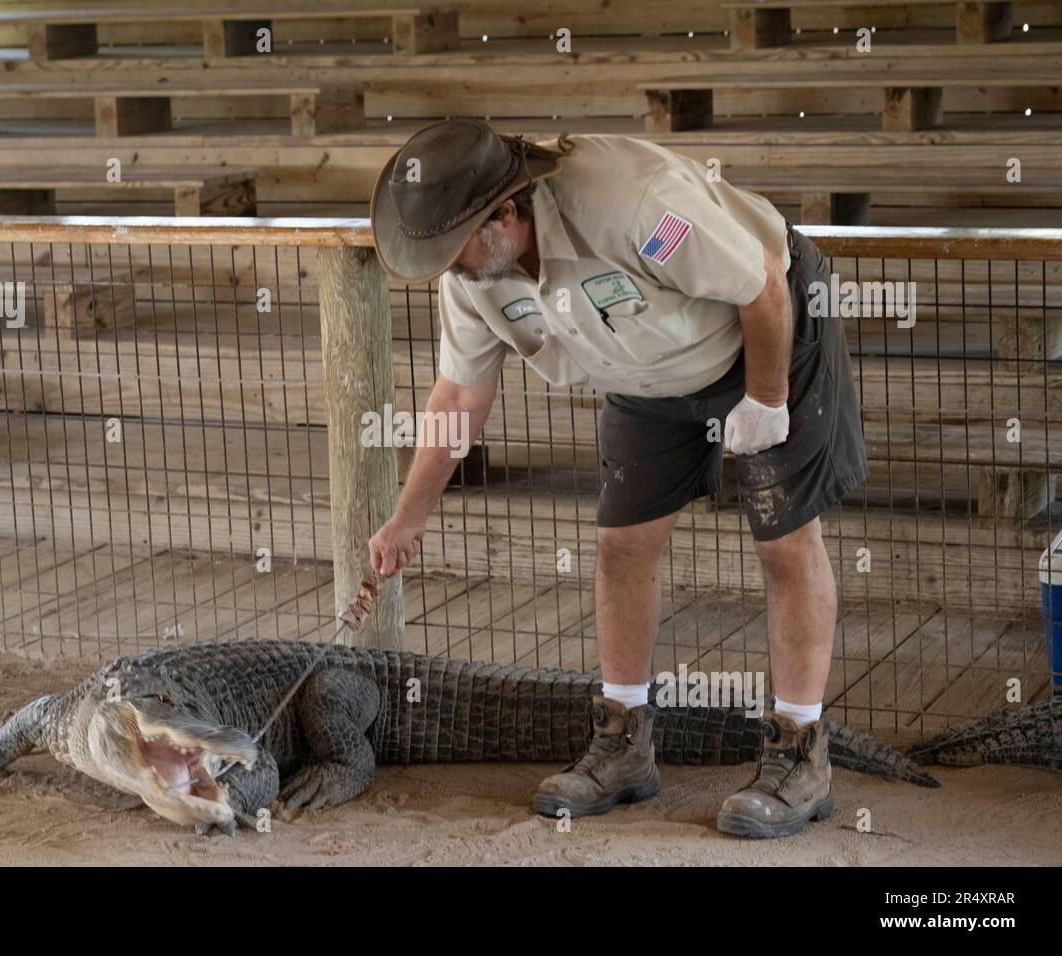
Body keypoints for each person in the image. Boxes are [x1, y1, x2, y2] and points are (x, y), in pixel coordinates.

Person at [366, 119, 869, 838]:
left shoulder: (631, 204)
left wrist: (765, 400)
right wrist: (407, 516)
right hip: (640, 366)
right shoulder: (471, 274)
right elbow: (458, 396)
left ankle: (801, 753)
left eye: (455, 249)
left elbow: (761, 284)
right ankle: (623, 743)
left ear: (506, 214)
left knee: (784, 542)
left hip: (764, 329)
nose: (450, 268)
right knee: (622, 544)